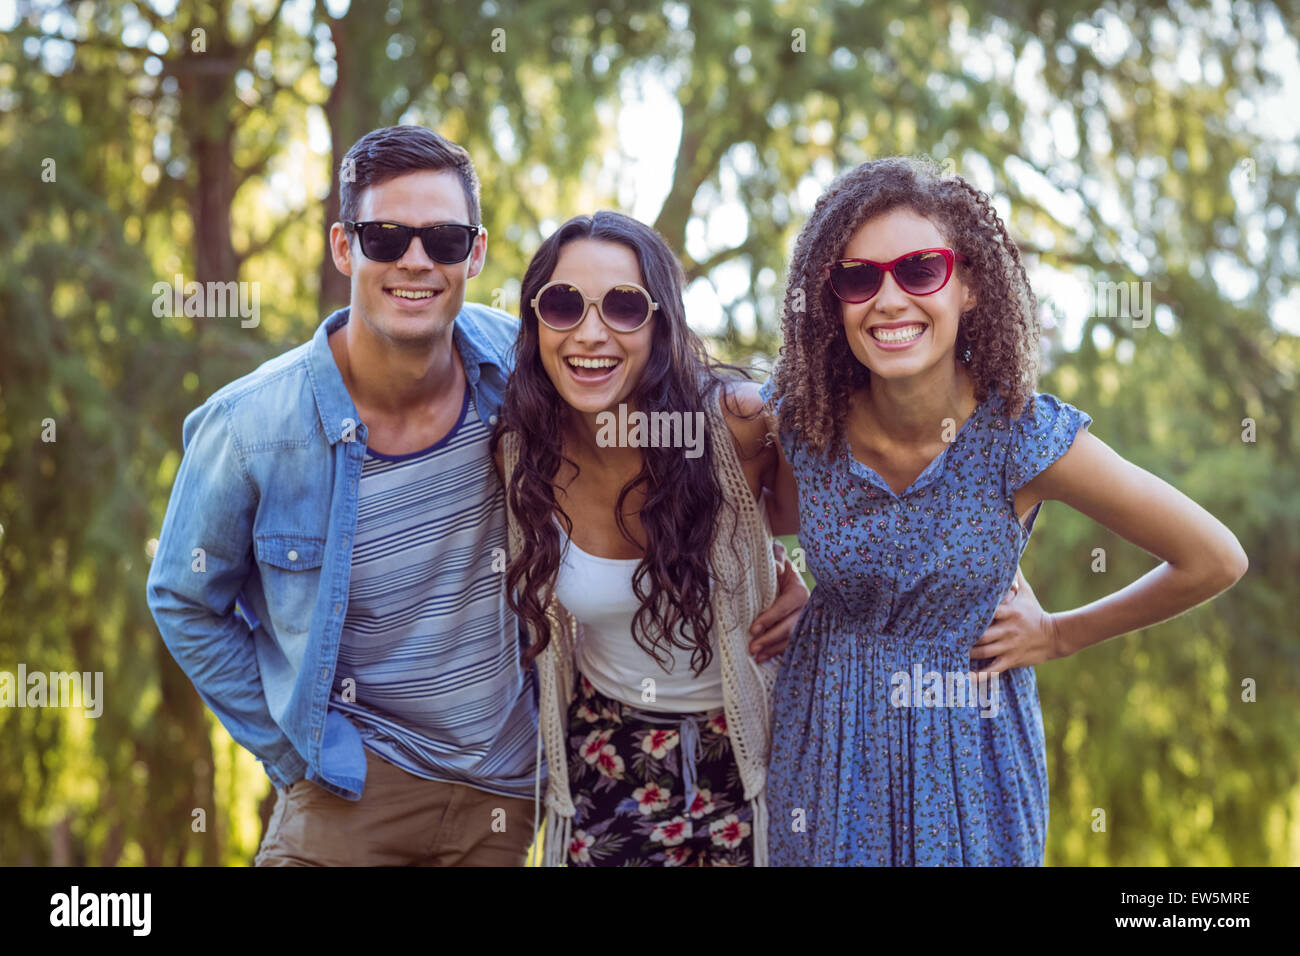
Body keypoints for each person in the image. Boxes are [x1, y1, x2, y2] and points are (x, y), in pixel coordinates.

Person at [145, 124, 812, 867]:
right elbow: (183, 598)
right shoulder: (254, 427)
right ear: (344, 247)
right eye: (386, 237)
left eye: (444, 240)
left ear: (478, 252)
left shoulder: (526, 377)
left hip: (502, 792)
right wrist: (299, 746)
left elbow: (839, 498)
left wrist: (819, 598)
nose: (416, 261)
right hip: (352, 787)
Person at [761, 155, 1249, 866]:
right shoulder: (803, 422)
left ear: (970, 287)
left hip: (968, 759)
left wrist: (1057, 635)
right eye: (858, 278)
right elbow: (752, 514)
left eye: (920, 270)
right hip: (829, 743)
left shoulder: (1023, 438)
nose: (889, 299)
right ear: (832, 300)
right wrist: (814, 584)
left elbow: (1213, 557)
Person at [492, 211, 806, 866]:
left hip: (751, 755)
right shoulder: (524, 450)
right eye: (563, 304)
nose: (590, 332)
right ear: (535, 321)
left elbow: (867, 500)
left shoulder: (737, 424)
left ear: (661, 324)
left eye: (624, 307)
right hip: (606, 756)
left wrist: (818, 594)